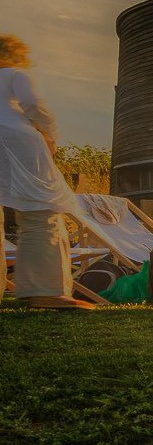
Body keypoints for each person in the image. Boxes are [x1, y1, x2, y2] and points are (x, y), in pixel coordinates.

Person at [0, 35, 92, 310]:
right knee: (41, 214)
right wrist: (49, 135)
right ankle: (42, 290)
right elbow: (33, 104)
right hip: (17, 142)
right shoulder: (13, 74)